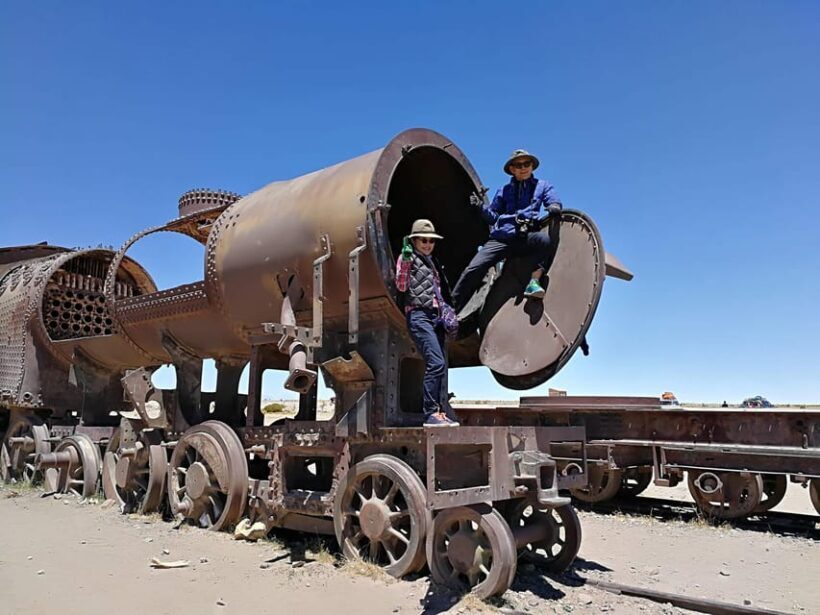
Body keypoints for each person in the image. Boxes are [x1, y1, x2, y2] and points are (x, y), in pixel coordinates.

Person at [451, 149, 563, 313]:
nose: (523, 167)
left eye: (527, 164)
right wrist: (480, 207)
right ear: (512, 169)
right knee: (473, 269)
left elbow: (553, 200)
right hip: (501, 238)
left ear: (532, 166)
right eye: (518, 165)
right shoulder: (504, 191)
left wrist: (554, 207)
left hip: (524, 237)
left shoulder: (542, 186)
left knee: (544, 241)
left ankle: (534, 282)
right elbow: (492, 216)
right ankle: (451, 308)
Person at [395, 219, 459, 427]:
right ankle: (431, 413)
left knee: (439, 364)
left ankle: (439, 413)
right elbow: (401, 286)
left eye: (431, 240)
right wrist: (405, 262)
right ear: (414, 240)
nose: (428, 244)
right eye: (423, 240)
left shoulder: (432, 262)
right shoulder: (408, 258)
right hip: (419, 315)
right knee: (436, 363)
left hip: (434, 317)